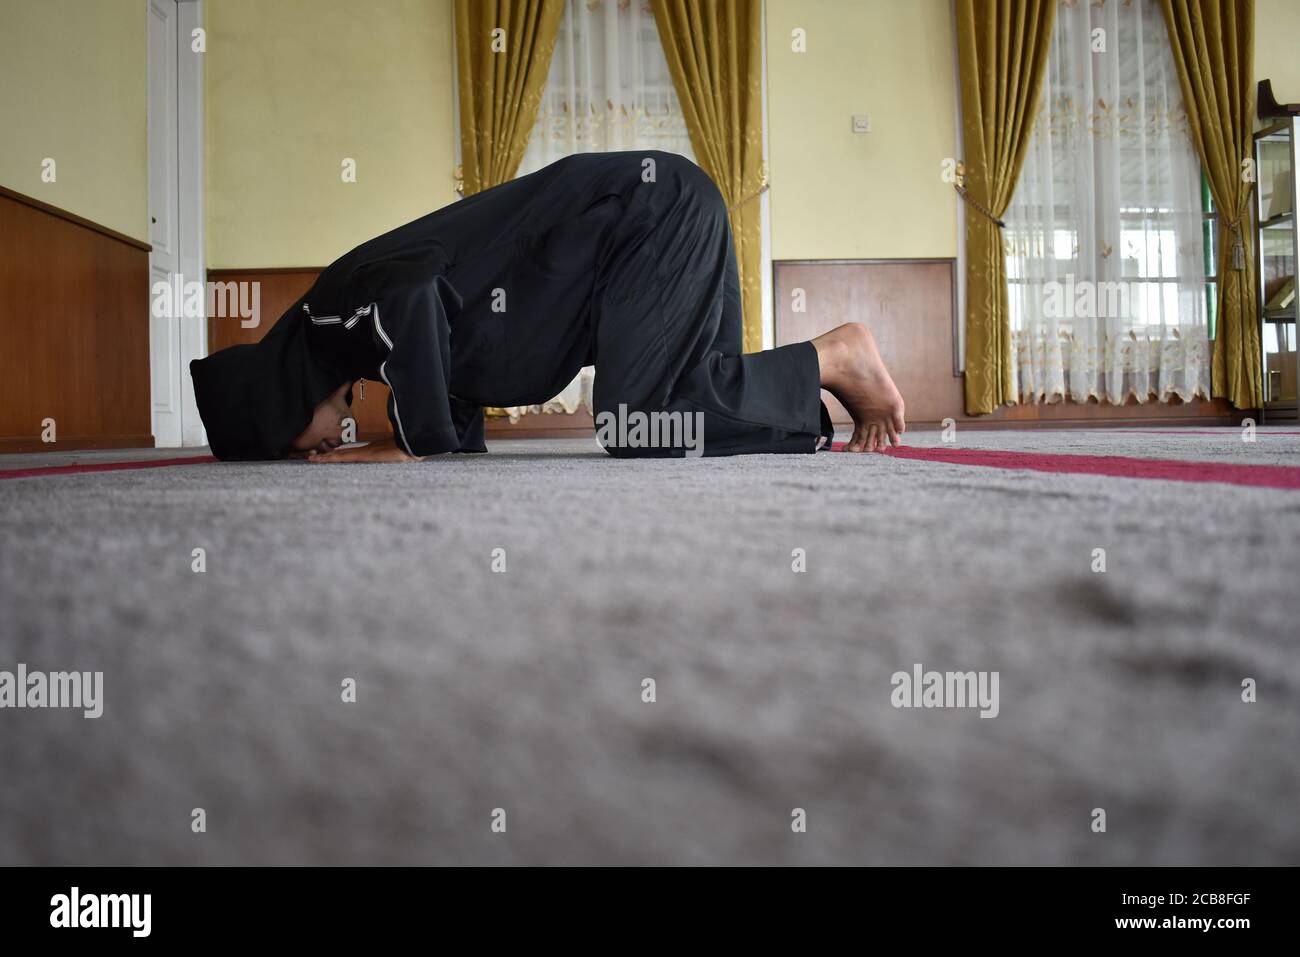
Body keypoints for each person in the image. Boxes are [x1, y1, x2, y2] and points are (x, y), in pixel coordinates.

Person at [190, 151, 905, 462]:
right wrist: (445, 436)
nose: (314, 446)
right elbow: (456, 365)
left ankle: (834, 356)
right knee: (676, 408)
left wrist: (408, 441)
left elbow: (415, 300)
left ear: (279, 395)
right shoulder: (359, 341)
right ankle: (811, 409)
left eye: (291, 435)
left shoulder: (335, 308)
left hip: (647, 214)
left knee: (635, 424)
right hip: (663, 213)